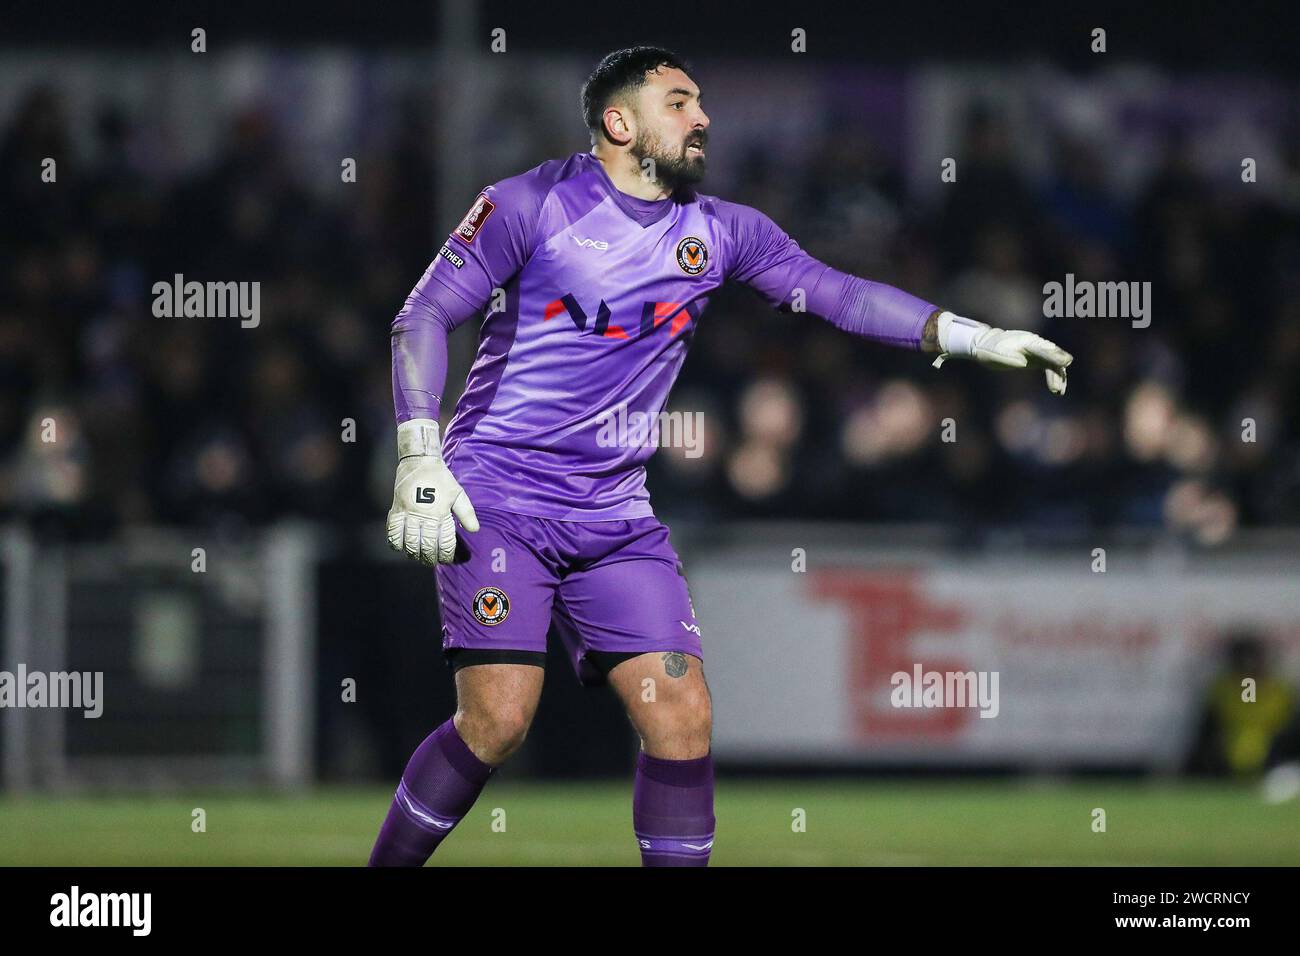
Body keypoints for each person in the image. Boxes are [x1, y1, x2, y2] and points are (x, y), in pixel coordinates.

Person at [369, 46, 1072, 867]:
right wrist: (419, 452)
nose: (702, 118)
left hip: (614, 516)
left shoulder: (722, 231)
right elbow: (421, 315)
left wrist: (973, 335)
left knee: (682, 713)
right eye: (679, 102)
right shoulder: (529, 203)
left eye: (700, 103)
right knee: (498, 720)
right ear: (619, 122)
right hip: (499, 497)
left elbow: (837, 292)